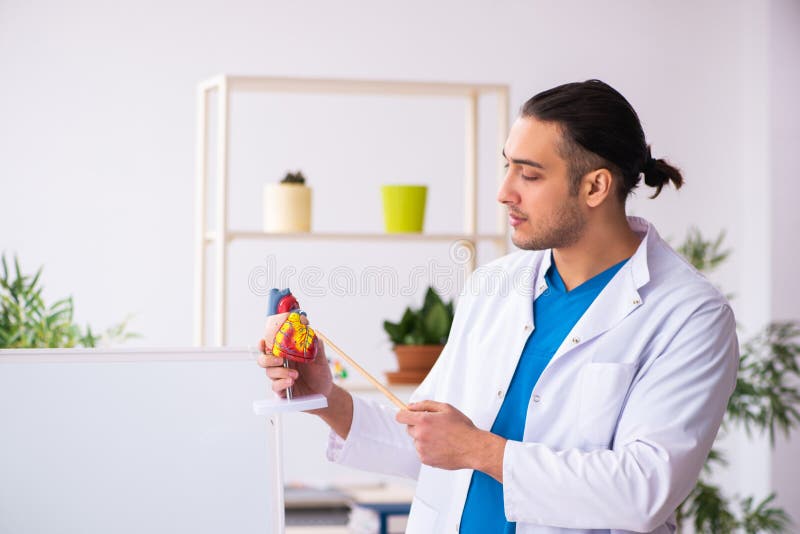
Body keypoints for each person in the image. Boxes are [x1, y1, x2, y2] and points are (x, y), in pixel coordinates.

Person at [257, 79, 739, 533]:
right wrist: (326, 397)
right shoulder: (495, 286)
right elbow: (427, 439)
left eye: (529, 174)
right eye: (507, 165)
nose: (504, 191)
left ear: (595, 187)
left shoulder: (689, 315)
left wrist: (477, 449)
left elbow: (644, 489)